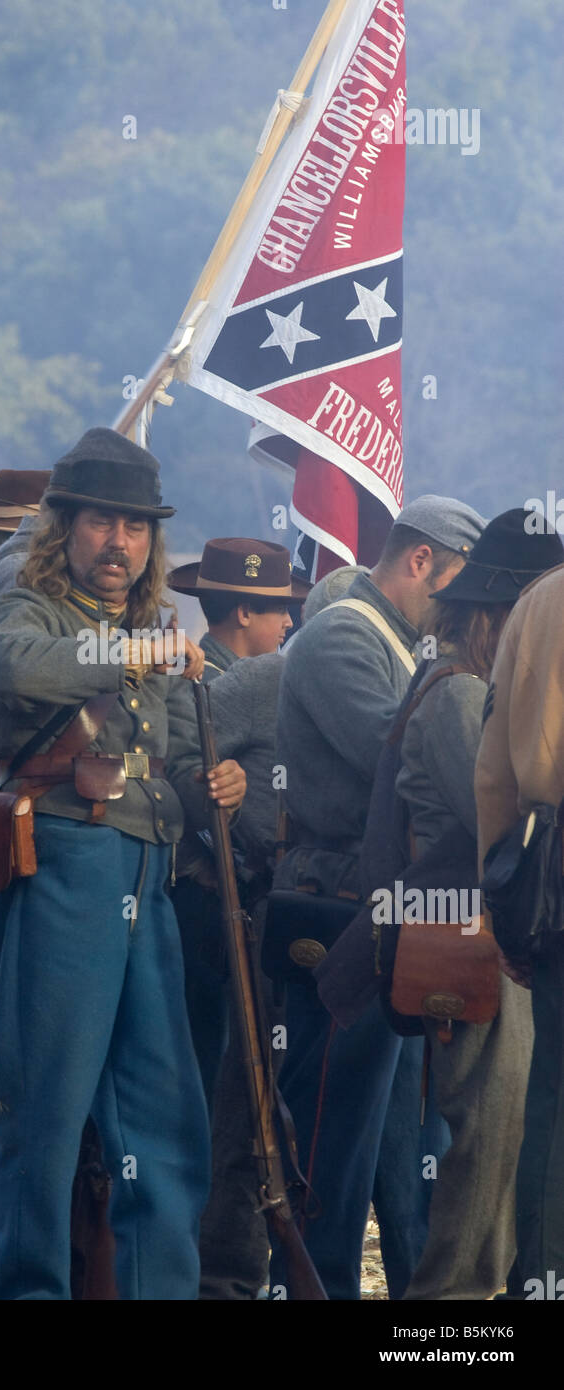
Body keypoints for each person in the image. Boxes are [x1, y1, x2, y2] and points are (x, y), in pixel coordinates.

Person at [0, 427, 246, 1300]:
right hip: (61, 867)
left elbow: (151, 762)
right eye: (101, 522)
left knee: (162, 1116)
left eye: (136, 526)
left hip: (145, 870)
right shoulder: (28, 599)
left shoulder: (142, 623)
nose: (119, 542)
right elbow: (8, 665)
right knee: (43, 1116)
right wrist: (133, 652)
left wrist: (213, 787)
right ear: (65, 528)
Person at [269, 495, 485, 1300]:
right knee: (332, 1133)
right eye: (460, 587)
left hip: (385, 909)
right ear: (421, 560)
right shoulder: (342, 637)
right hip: (341, 902)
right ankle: (312, 1287)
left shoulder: (394, 641)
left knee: (402, 1145)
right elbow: (399, 763)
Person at [387, 508, 561, 1299]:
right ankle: (447, 1330)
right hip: (477, 944)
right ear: (497, 616)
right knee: (486, 1156)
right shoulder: (460, 695)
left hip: (490, 936)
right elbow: (501, 818)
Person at [166, 538, 300, 1299]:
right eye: (280, 609)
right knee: (221, 1093)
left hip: (235, 913)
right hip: (210, 914)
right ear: (244, 608)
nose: (289, 623)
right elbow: (172, 778)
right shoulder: (216, 685)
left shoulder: (223, 678)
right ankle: (215, 1275)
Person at [475, 547, 564, 1295]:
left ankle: (541, 1279)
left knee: (557, 1100)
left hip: (549, 879)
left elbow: (493, 774)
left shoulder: (539, 603)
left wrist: (504, 909)